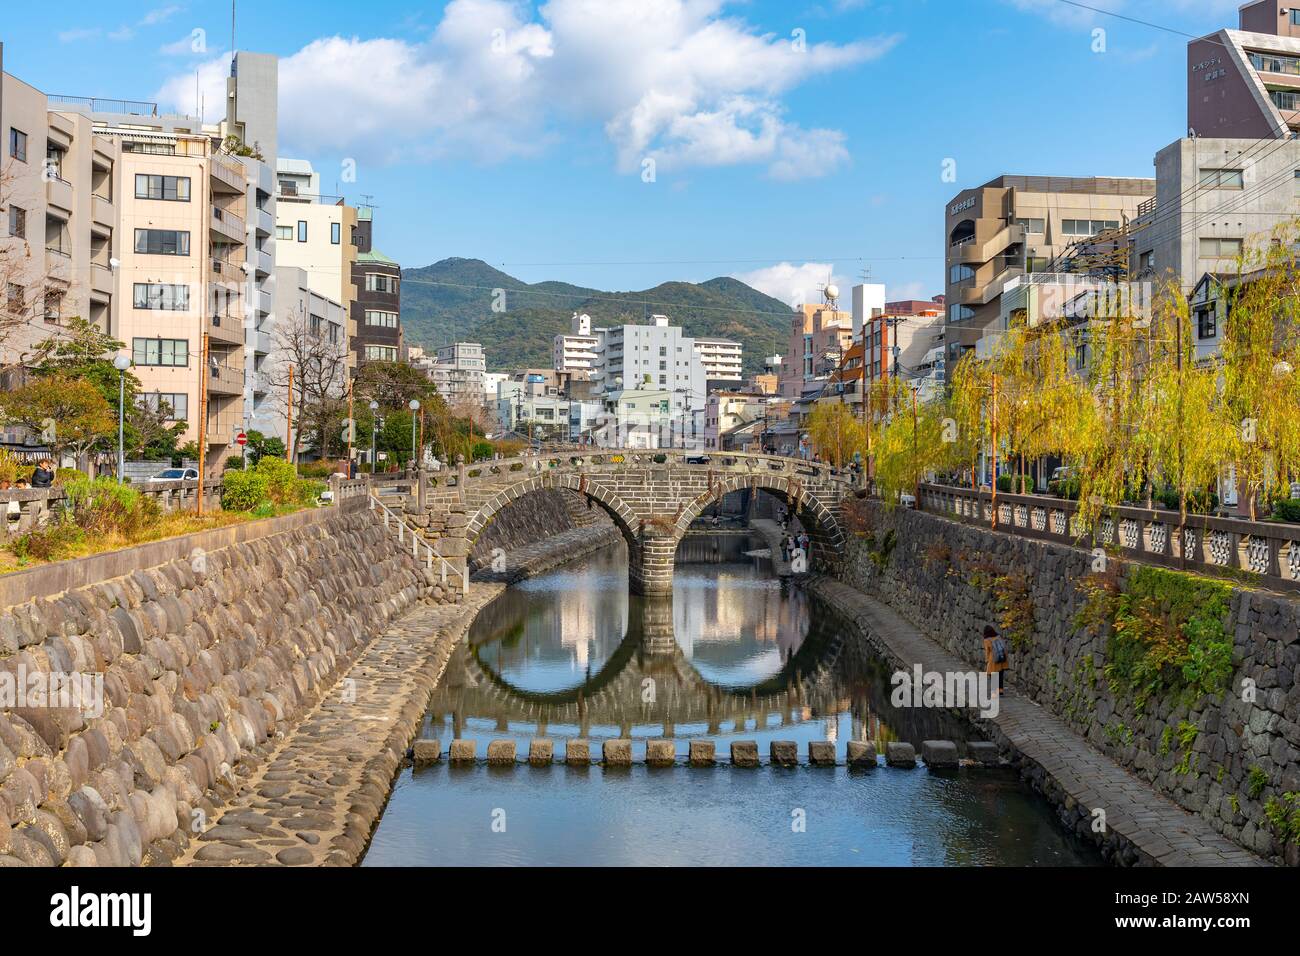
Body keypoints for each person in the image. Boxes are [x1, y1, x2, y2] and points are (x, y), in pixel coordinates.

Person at [982, 624, 1009, 697]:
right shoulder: (998, 637)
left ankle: (994, 692)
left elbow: (987, 651)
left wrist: (987, 660)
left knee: (993, 675)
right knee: (1000, 675)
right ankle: (1001, 691)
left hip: (993, 660)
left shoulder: (987, 640)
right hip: (1002, 659)